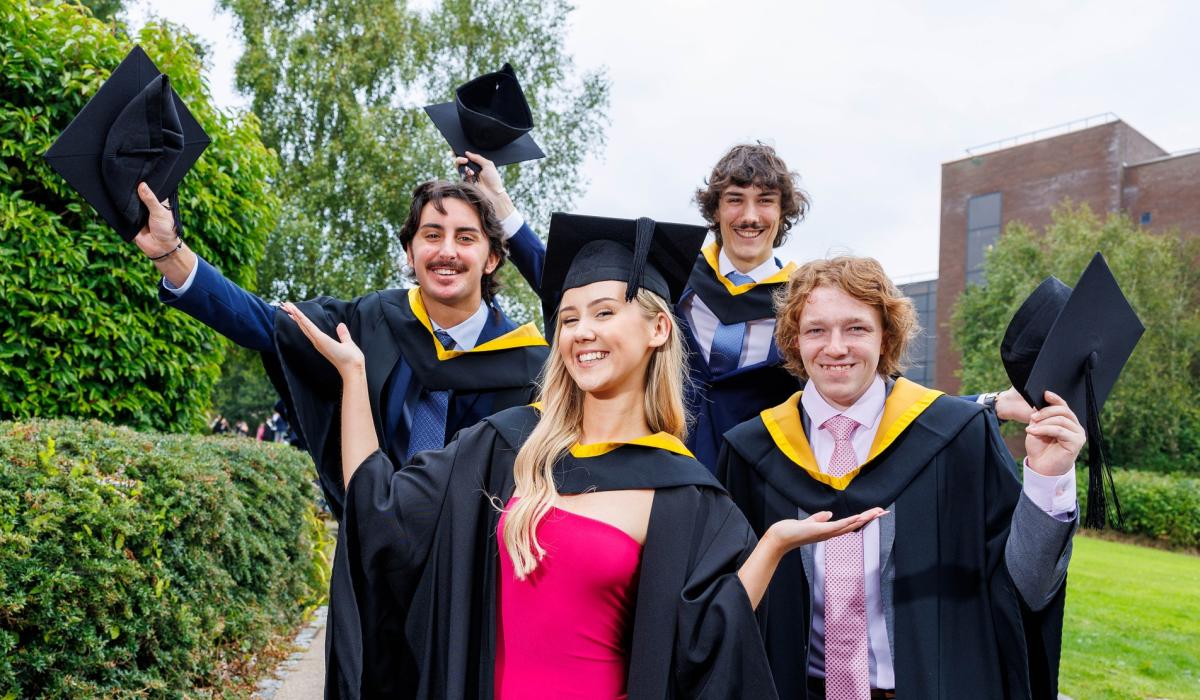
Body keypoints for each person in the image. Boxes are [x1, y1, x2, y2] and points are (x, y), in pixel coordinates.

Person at [282, 212, 872, 699]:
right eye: (568, 318)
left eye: (604, 312)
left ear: (658, 329)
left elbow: (706, 646)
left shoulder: (683, 490)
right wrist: (354, 378)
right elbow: (379, 513)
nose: (581, 331)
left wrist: (771, 546)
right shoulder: (507, 446)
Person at [458, 145, 1035, 472]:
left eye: (766, 200)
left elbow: (879, 391)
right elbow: (571, 285)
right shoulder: (675, 281)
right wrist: (500, 204)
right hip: (655, 464)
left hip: (760, 479)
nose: (750, 215)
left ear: (784, 213)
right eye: (735, 200)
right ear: (716, 210)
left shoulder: (805, 304)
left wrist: (987, 403)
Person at [719, 256, 1081, 698]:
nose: (836, 348)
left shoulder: (956, 436)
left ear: (886, 336)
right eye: (816, 330)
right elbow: (725, 606)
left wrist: (1047, 479)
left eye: (856, 328)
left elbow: (1027, 586)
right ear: (795, 341)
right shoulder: (751, 452)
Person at [132, 179, 549, 518]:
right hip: (378, 553)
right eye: (432, 235)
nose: (446, 251)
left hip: (480, 570)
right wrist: (171, 255)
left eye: (466, 238)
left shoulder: (529, 364)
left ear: (492, 258)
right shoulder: (372, 321)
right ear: (410, 252)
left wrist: (505, 206)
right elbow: (266, 324)